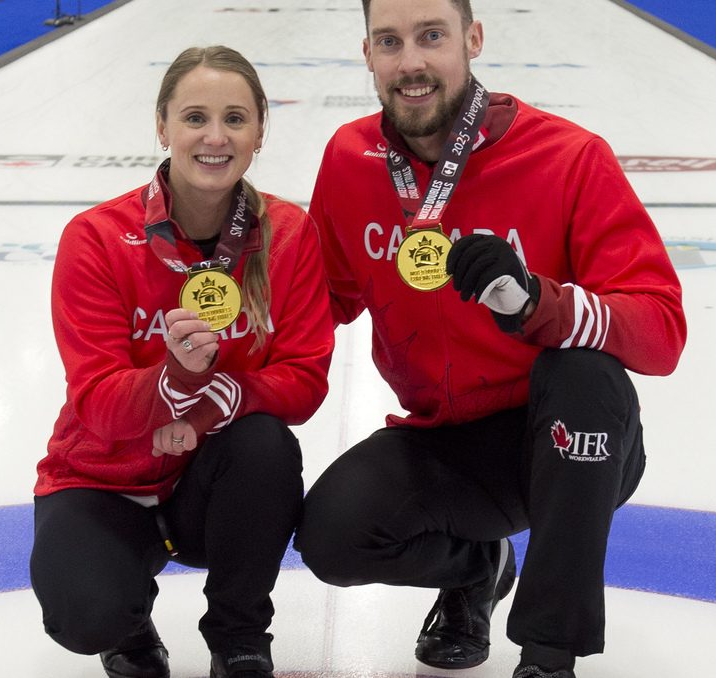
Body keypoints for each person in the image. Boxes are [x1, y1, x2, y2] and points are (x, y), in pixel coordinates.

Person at [294, 1, 686, 677]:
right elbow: (319, 303)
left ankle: (548, 654)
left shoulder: (568, 157)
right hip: (446, 438)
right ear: (367, 54)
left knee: (583, 375)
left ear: (472, 39)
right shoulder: (351, 159)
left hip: (566, 434)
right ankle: (479, 568)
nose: (411, 61)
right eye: (390, 41)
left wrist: (541, 302)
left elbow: (662, 331)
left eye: (431, 37)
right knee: (332, 536)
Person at [29, 45, 334, 678]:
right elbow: (96, 402)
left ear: (260, 131)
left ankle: (239, 636)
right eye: (195, 117)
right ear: (162, 125)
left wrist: (211, 404)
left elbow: (304, 379)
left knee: (266, 444)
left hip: (210, 482)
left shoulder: (289, 233)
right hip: (103, 474)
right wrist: (170, 380)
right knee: (86, 615)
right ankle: (129, 619)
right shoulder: (97, 238)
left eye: (235, 118)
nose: (214, 137)